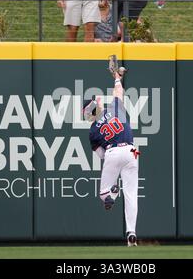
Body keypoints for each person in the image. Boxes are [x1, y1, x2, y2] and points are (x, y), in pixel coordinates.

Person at [82, 56, 140, 247]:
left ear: (87, 115)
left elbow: (102, 156)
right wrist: (117, 77)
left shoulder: (92, 131)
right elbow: (119, 91)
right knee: (131, 194)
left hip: (113, 153)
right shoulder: (113, 107)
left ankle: (112, 192)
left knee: (103, 194)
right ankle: (131, 232)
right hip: (132, 151)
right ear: (97, 107)